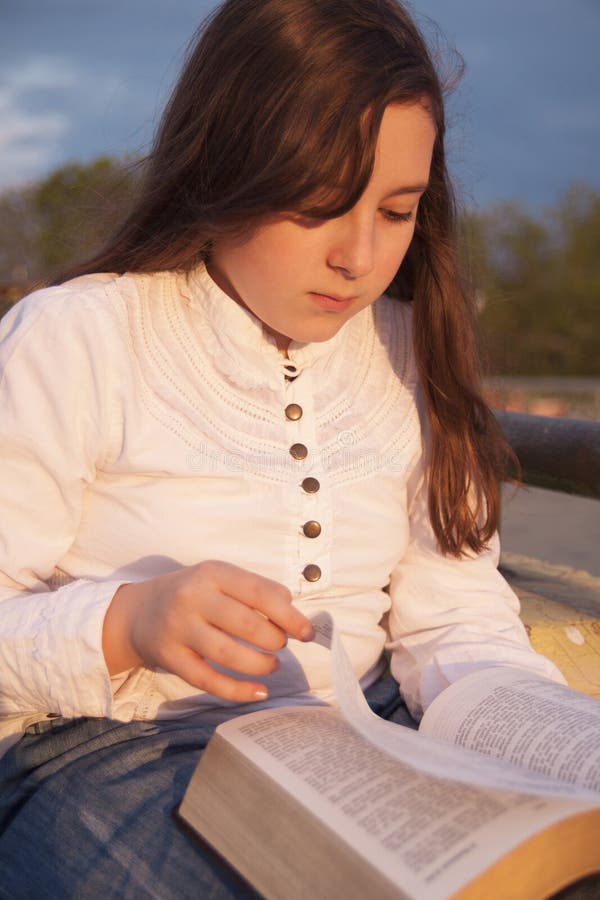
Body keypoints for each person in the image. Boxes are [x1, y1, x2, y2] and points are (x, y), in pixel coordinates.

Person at [0, 0, 565, 895]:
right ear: (223, 169)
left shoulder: (412, 351)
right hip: (115, 753)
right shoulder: (78, 337)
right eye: (316, 205)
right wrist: (128, 623)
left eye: (397, 210)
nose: (359, 256)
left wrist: (549, 740)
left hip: (370, 739)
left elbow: (454, 616)